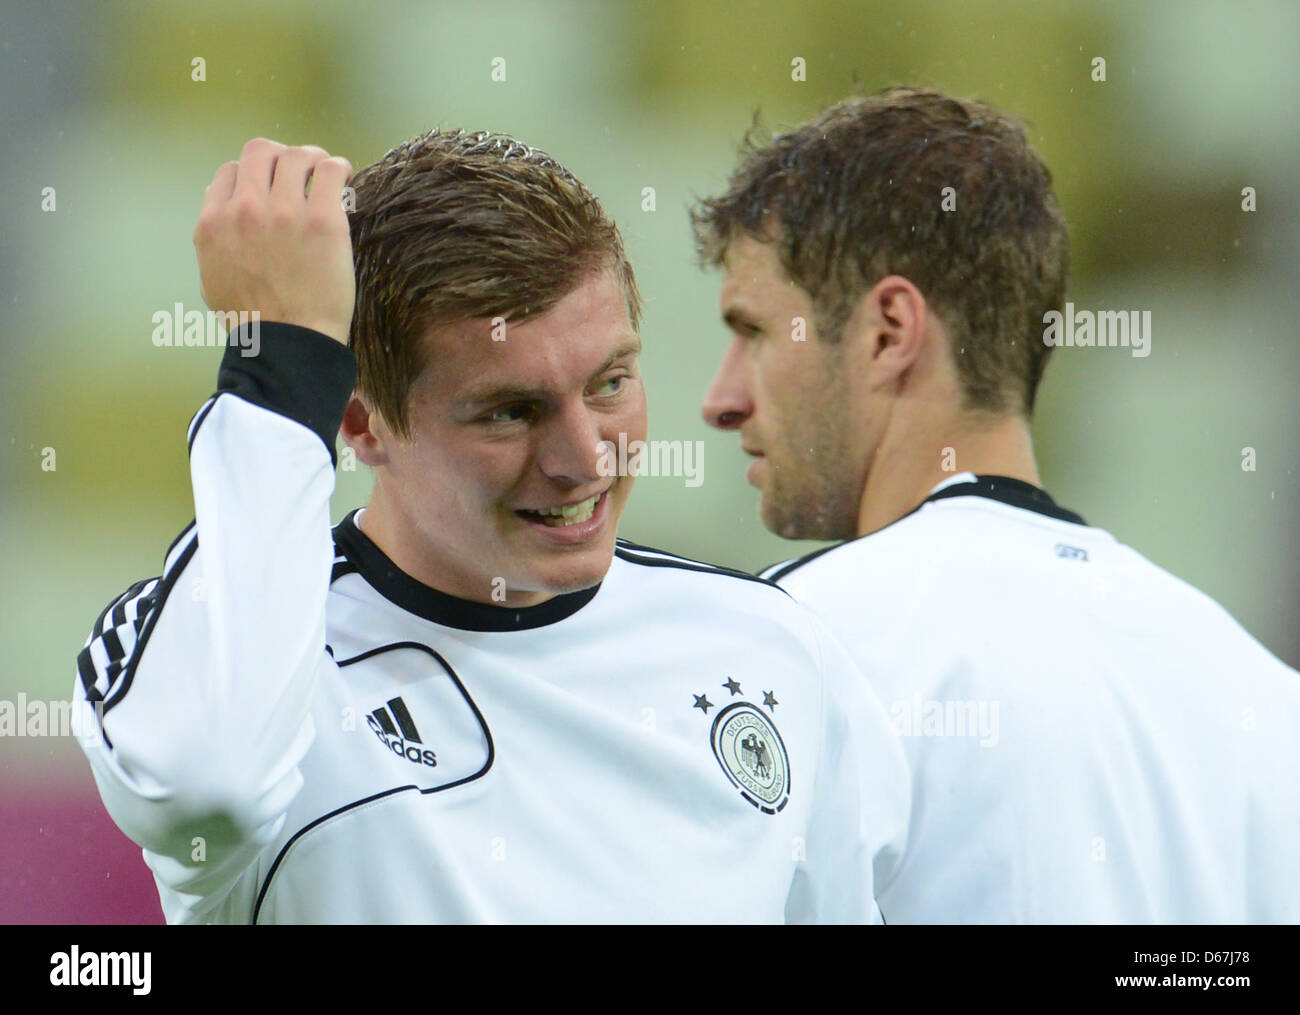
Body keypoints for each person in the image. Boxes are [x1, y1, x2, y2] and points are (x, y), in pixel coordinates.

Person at [73, 130, 909, 923]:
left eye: (611, 383)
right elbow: (204, 791)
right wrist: (285, 361)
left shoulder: (770, 648)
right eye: (511, 412)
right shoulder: (247, 663)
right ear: (360, 423)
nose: (585, 459)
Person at [695, 86, 1300, 923]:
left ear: (888, 332)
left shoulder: (797, 645)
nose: (720, 399)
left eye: (754, 332)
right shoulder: (1262, 697)